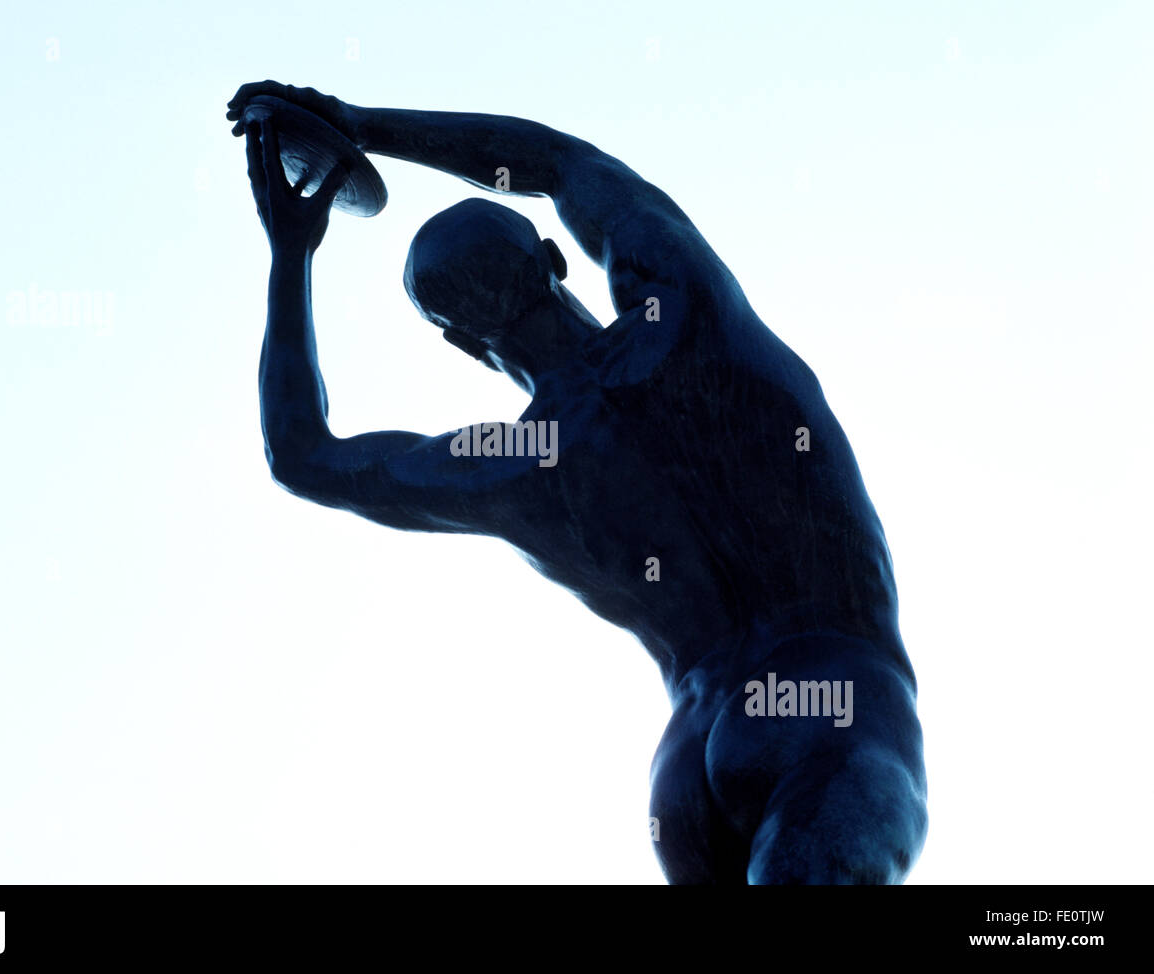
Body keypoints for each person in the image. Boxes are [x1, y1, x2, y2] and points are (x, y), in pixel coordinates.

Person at [228, 82, 927, 884]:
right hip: (828, 700)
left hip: (687, 761)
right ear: (553, 257)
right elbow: (561, 163)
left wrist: (291, 255)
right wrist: (363, 126)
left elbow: (303, 455)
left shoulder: (514, 465)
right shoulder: (684, 318)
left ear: (458, 342)